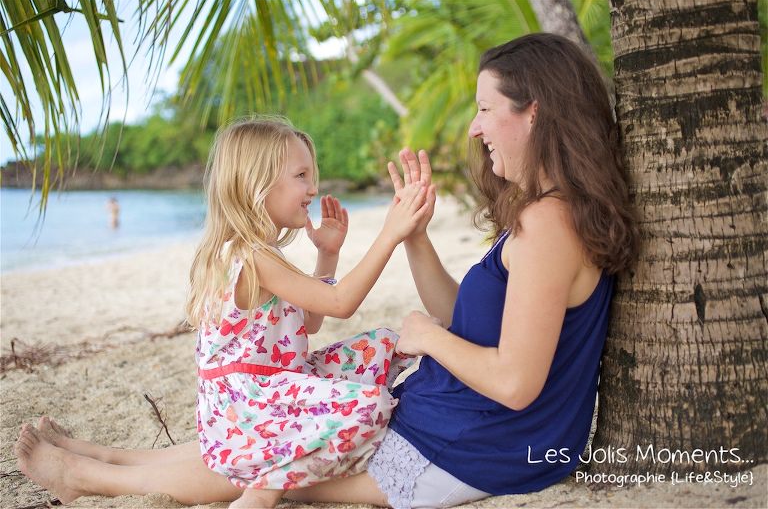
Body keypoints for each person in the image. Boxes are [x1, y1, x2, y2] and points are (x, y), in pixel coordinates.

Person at [15, 33, 639, 508]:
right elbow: (470, 320)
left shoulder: (548, 226)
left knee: (267, 452)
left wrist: (426, 340)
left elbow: (514, 383)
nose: (475, 127)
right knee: (271, 431)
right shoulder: (543, 218)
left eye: (484, 108)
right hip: (459, 421)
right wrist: (414, 239)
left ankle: (89, 474)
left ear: (534, 112)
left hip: (475, 445)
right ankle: (103, 455)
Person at [14, 117, 430, 508]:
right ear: (257, 184)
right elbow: (341, 305)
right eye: (301, 175)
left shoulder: (253, 252)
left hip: (266, 390)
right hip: (251, 404)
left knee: (384, 345)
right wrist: (390, 233)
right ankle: (264, 487)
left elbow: (309, 322)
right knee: (371, 406)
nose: (313, 187)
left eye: (312, 175)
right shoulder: (253, 257)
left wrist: (327, 256)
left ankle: (99, 454)